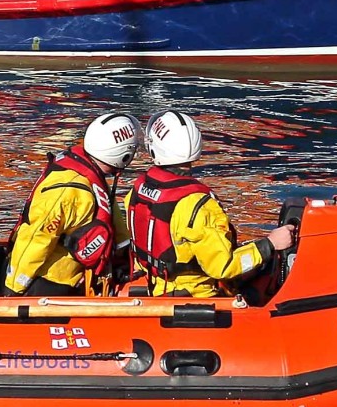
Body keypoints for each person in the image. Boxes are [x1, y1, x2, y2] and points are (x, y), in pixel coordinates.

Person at [127, 111, 296, 297]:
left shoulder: (138, 188)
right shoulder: (199, 205)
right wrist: (269, 244)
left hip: (157, 287)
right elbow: (223, 267)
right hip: (195, 297)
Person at [3, 113, 138, 296]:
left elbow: (35, 240)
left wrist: (12, 288)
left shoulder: (79, 178)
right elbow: (37, 240)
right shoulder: (88, 186)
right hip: (58, 281)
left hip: (56, 281)